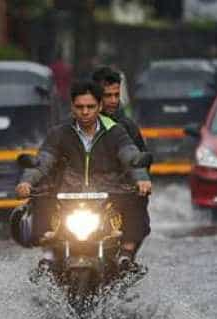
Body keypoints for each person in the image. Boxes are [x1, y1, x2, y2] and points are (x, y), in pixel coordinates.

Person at [15, 80, 152, 269]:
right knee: (41, 197)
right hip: (68, 196)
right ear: (72, 107)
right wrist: (26, 182)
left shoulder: (115, 132)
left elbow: (130, 156)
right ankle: (48, 255)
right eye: (80, 107)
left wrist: (142, 180)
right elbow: (43, 161)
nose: (85, 112)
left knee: (136, 201)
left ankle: (125, 256)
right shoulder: (59, 133)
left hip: (107, 195)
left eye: (90, 106)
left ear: (100, 107)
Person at [91, 66, 147, 152]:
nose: (113, 101)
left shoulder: (128, 127)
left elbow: (142, 160)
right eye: (108, 95)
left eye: (116, 95)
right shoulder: (79, 125)